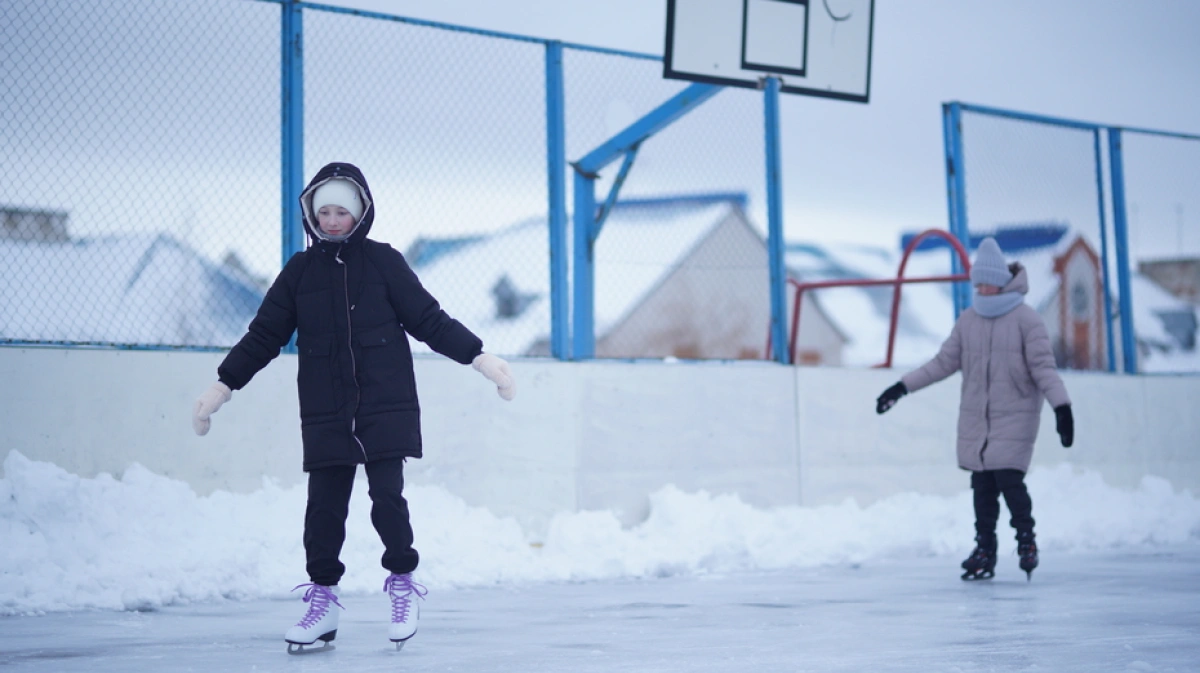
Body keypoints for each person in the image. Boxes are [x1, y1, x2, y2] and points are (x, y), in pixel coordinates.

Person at [191, 162, 516, 652]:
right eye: (324, 211)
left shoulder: (385, 262)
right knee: (323, 509)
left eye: (342, 210)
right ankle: (322, 601)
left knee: (387, 499)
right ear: (311, 215)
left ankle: (403, 584)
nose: (333, 220)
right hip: (326, 408)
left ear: (360, 211)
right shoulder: (299, 273)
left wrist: (480, 357)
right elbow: (263, 337)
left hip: (385, 404)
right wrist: (223, 386)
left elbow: (429, 319)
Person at [875, 237, 1073, 581]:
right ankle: (985, 550)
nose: (980, 288)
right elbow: (941, 364)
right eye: (977, 282)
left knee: (1009, 479)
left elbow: (1044, 370)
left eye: (986, 281)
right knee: (981, 486)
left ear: (1000, 281)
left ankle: (1026, 541)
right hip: (977, 421)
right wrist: (901, 387)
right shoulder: (969, 320)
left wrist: (1062, 408)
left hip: (1015, 417)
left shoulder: (1028, 321)